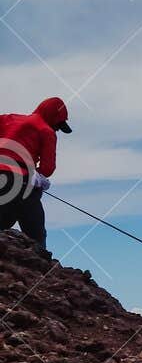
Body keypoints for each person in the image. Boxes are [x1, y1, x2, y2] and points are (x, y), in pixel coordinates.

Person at [0, 97, 72, 251]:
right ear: (53, 119)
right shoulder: (46, 131)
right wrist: (36, 175)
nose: (56, 129)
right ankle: (39, 263)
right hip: (21, 182)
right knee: (35, 235)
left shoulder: (8, 118)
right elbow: (48, 168)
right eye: (58, 126)